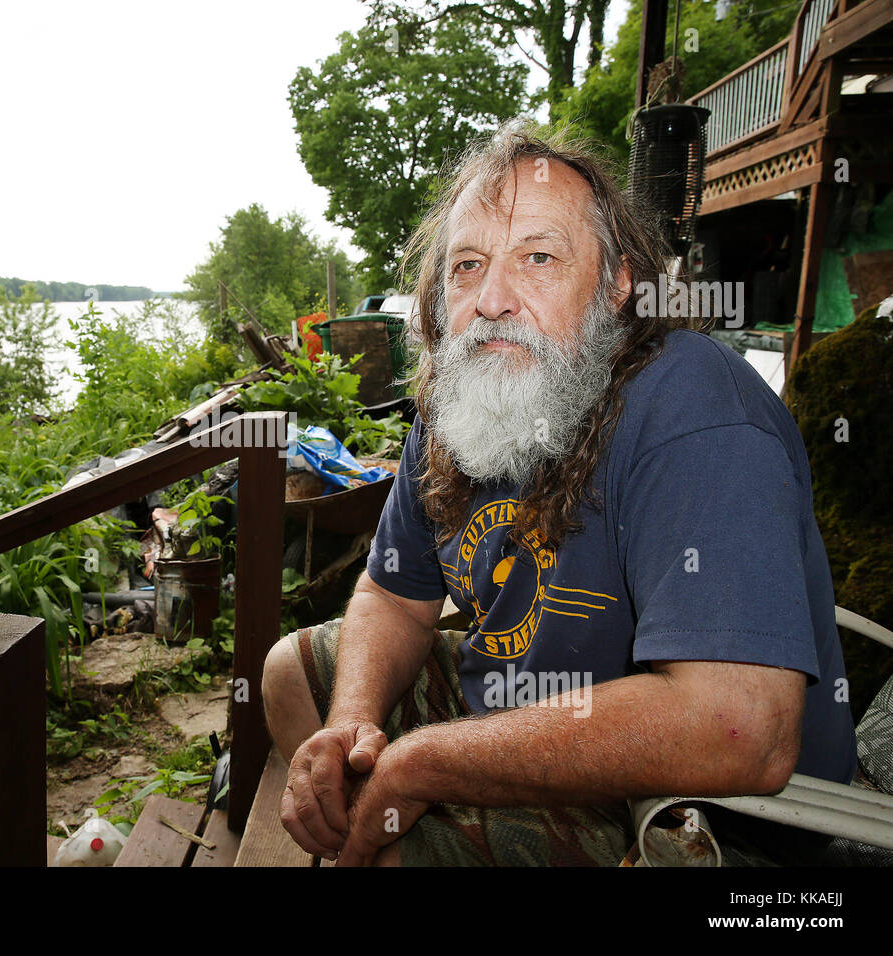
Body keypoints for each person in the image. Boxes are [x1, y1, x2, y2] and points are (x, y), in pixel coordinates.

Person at [261, 119, 857, 867]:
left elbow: (744, 732)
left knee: (397, 853)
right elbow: (391, 597)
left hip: (706, 814)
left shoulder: (697, 410)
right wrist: (353, 728)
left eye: (537, 258)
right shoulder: (461, 398)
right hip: (526, 705)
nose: (493, 299)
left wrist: (425, 763)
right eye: (467, 266)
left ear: (618, 285)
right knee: (291, 675)